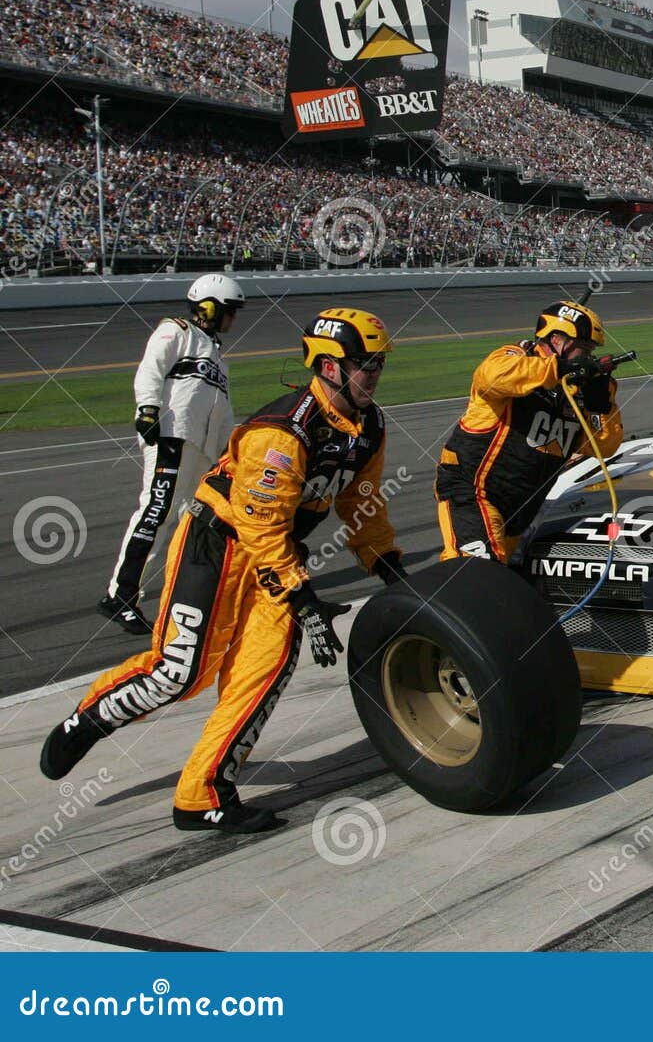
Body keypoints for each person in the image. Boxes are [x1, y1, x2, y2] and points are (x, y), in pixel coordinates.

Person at [40, 309, 405, 833]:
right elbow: (260, 526)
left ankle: (202, 795)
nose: (375, 374)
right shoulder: (282, 432)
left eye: (379, 363)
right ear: (329, 367)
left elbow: (361, 502)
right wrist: (304, 600)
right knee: (181, 672)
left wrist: (392, 569)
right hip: (218, 543)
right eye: (366, 364)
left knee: (266, 669)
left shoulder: (370, 426)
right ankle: (91, 718)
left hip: (275, 554)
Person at [101, 274, 244, 634]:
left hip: (203, 450)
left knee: (197, 520)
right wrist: (148, 409)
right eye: (230, 310)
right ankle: (120, 596)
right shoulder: (177, 331)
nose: (233, 318)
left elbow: (222, 409)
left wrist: (227, 449)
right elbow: (151, 367)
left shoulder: (216, 354)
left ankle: (192, 593)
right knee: (157, 512)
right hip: (173, 438)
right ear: (209, 308)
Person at [436, 300, 623, 563]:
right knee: (475, 570)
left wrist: (601, 404)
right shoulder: (516, 356)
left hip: (521, 506)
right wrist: (559, 369)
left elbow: (604, 447)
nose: (588, 357)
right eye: (584, 348)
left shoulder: (575, 388)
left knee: (500, 575)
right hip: (474, 491)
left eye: (591, 351)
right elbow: (490, 378)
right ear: (557, 340)